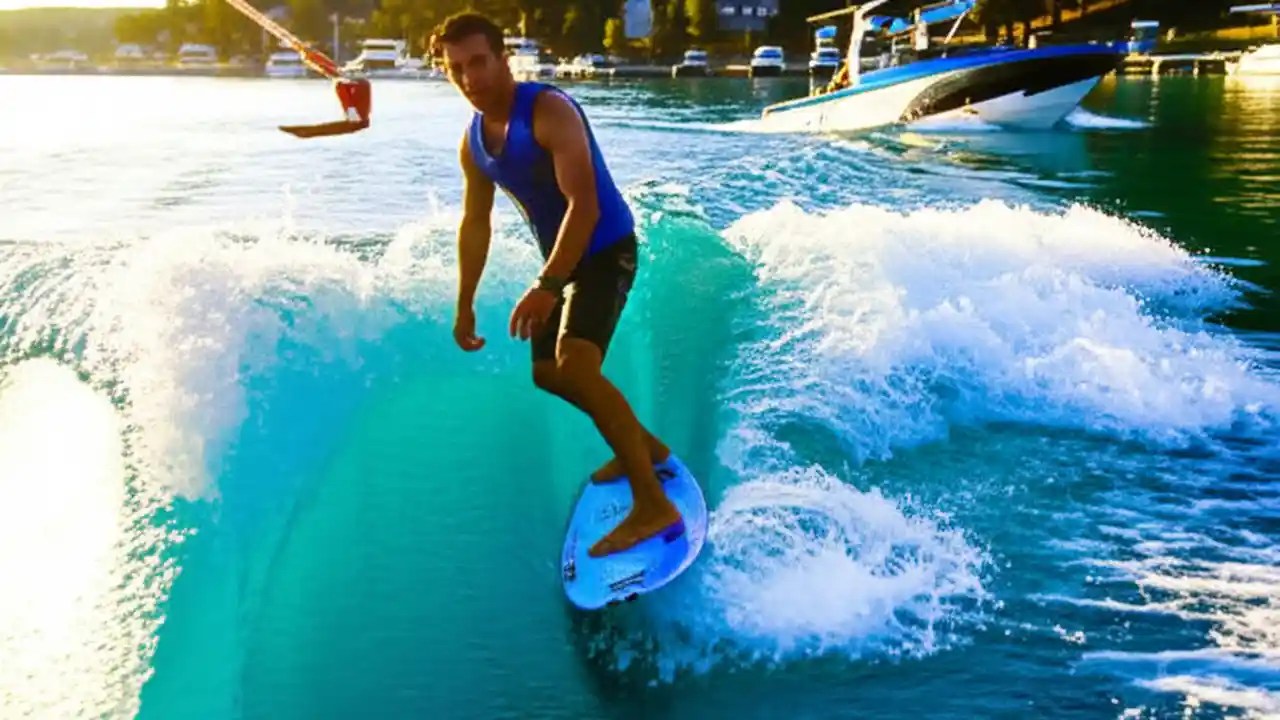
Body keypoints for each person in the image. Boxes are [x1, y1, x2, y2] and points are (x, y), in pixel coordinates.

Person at [432, 12, 683, 558]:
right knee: (548, 373)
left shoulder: (548, 111)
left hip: (604, 248)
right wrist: (464, 302)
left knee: (575, 364)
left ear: (503, 58)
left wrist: (548, 284)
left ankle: (653, 505)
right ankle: (645, 447)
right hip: (565, 263)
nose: (469, 78)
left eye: (478, 62)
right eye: (456, 69)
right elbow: (476, 223)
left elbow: (585, 205)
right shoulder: (474, 144)